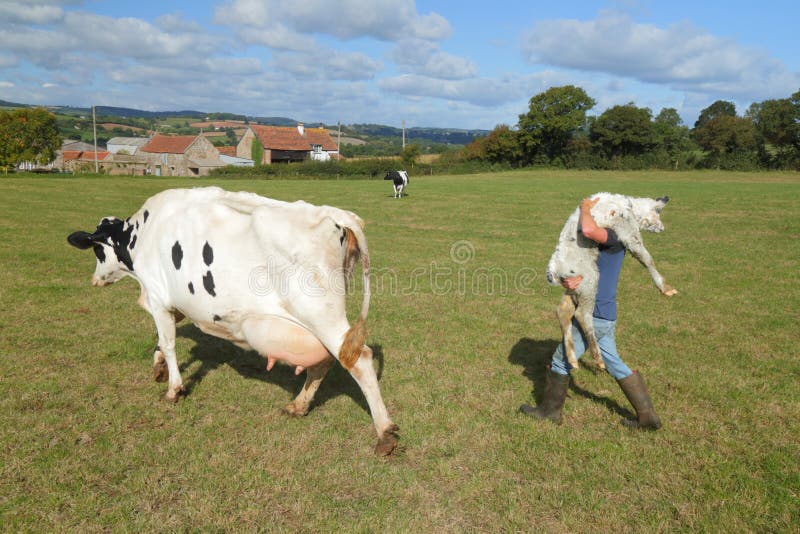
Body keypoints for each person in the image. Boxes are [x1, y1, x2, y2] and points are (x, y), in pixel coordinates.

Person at [520, 197, 676, 430]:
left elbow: (589, 229)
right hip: (606, 314)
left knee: (561, 359)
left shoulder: (614, 239)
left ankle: (549, 411)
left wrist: (584, 208)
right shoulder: (606, 242)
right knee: (614, 362)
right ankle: (648, 417)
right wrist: (569, 280)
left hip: (595, 313)